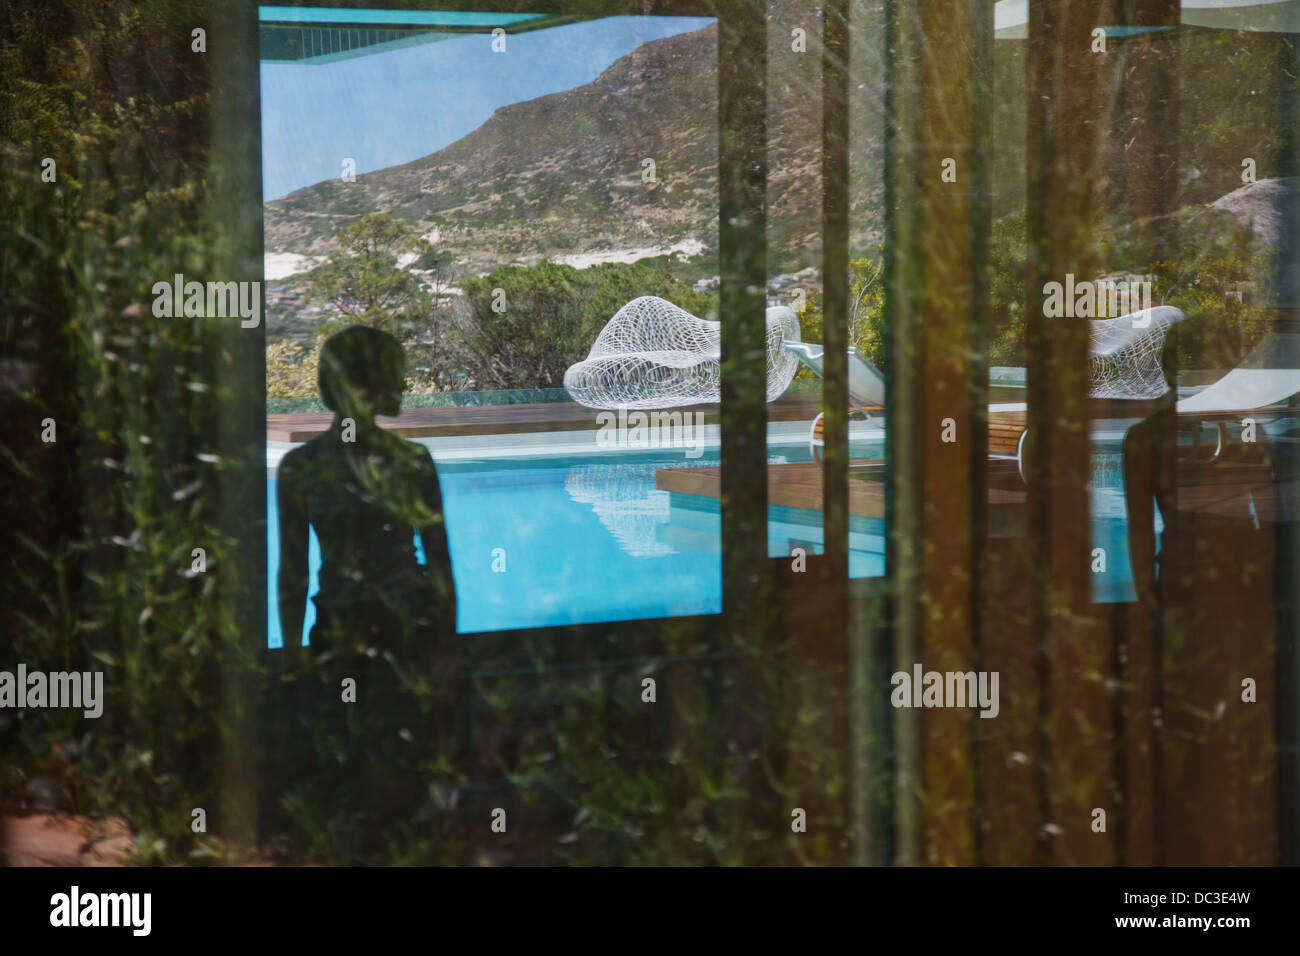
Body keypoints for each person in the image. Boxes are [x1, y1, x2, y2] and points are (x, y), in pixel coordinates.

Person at [273, 325, 458, 857]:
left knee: (354, 771)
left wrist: (292, 654)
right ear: (366, 383)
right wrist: (446, 651)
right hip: (401, 635)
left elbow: (294, 576)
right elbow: (440, 569)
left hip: (343, 634)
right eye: (392, 370)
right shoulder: (411, 463)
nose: (402, 380)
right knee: (393, 773)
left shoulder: (301, 468)